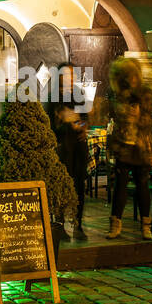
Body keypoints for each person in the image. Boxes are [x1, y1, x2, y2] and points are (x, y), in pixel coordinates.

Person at [106, 57, 152, 240]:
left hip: (141, 148)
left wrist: (137, 116)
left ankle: (146, 226)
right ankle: (115, 224)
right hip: (124, 146)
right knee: (120, 186)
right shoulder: (119, 94)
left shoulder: (145, 94)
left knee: (142, 186)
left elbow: (149, 121)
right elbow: (114, 117)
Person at [46, 62, 89, 241]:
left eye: (72, 75)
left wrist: (76, 123)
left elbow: (85, 121)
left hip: (78, 147)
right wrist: (62, 121)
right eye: (65, 75)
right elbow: (49, 124)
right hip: (62, 148)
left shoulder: (79, 95)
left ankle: (78, 224)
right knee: (61, 186)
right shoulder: (53, 97)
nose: (69, 79)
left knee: (79, 185)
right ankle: (60, 224)